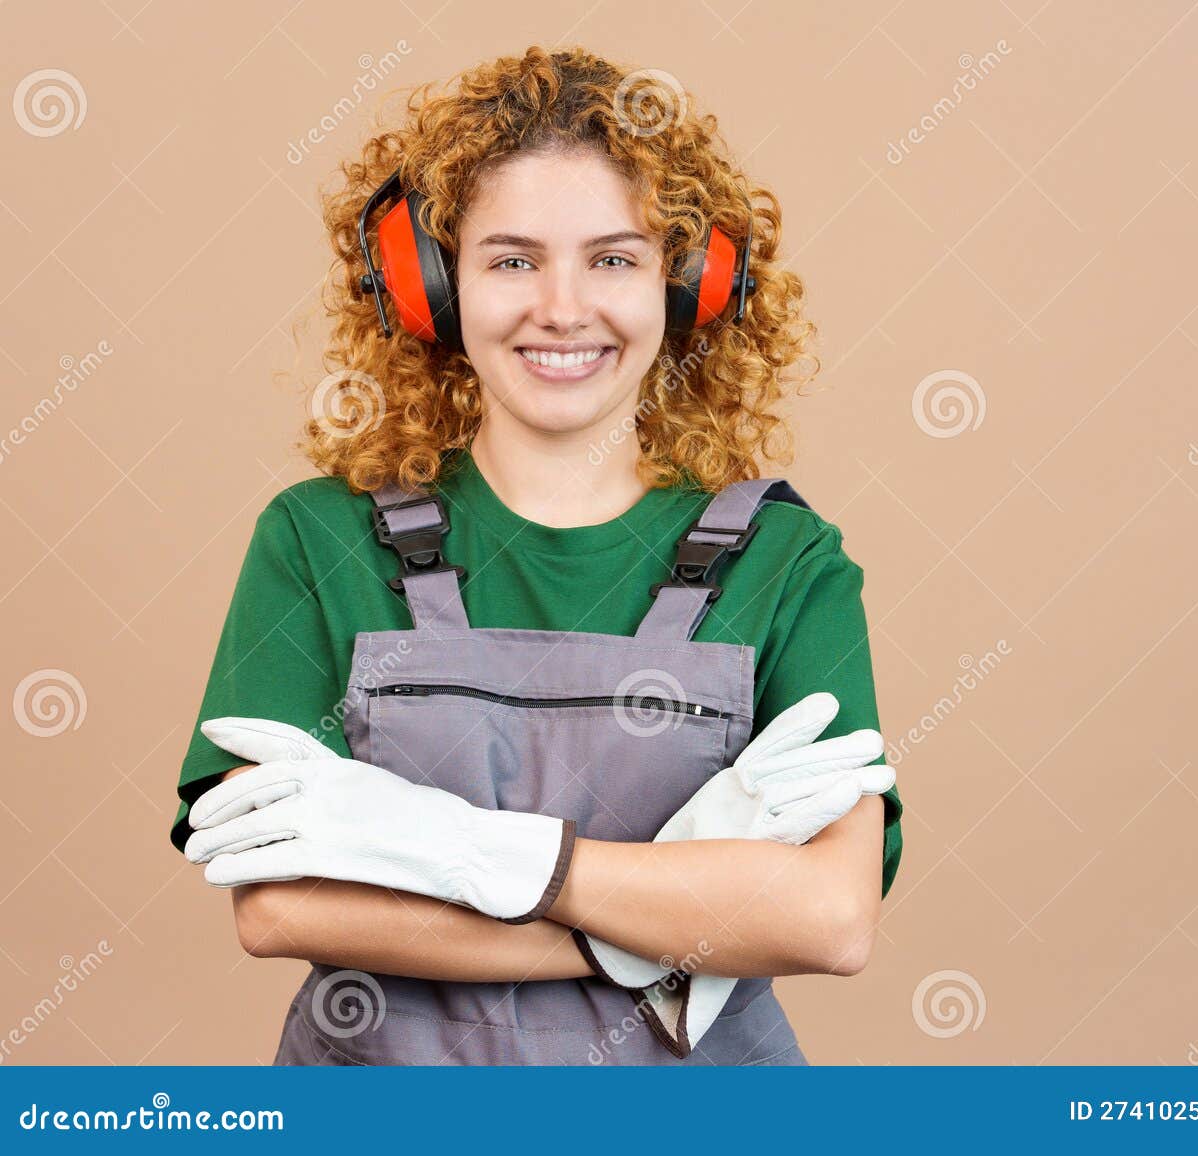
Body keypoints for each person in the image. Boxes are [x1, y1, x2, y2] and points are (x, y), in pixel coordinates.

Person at [166, 44, 904, 1066]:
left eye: (614, 258)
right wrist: (672, 927)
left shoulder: (785, 559)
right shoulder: (315, 539)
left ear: (684, 286)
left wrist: (468, 855)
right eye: (511, 259)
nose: (562, 307)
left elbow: (830, 919)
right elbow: (280, 906)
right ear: (431, 287)